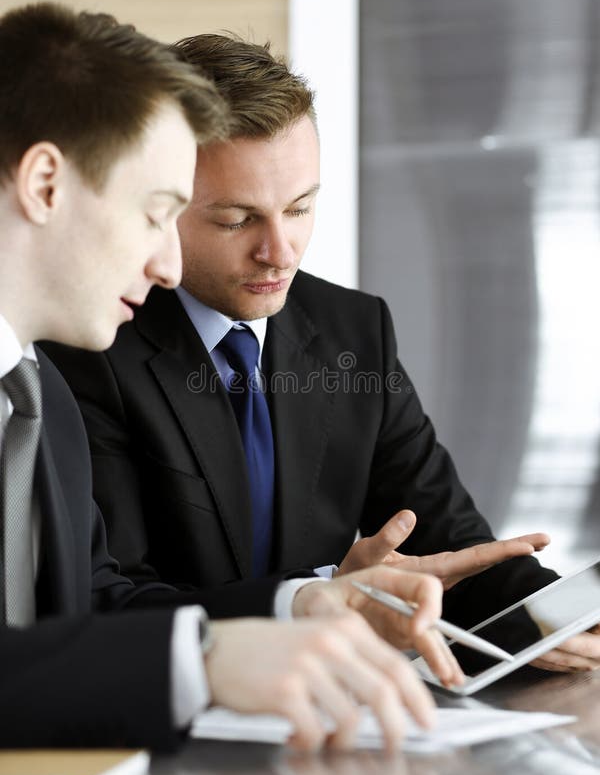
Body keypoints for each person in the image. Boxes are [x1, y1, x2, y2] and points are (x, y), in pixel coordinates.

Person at [43, 34, 600, 674]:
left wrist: (555, 617)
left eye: (300, 208)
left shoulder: (354, 330)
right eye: (236, 220)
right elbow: (110, 602)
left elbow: (453, 550)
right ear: (161, 205)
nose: (279, 252)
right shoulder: (88, 345)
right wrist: (317, 598)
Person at [0, 1, 466, 753]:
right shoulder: (68, 376)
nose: (166, 266)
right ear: (46, 184)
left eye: (301, 208)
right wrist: (203, 659)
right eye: (157, 213)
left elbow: (87, 616)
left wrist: (299, 605)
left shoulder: (35, 398)